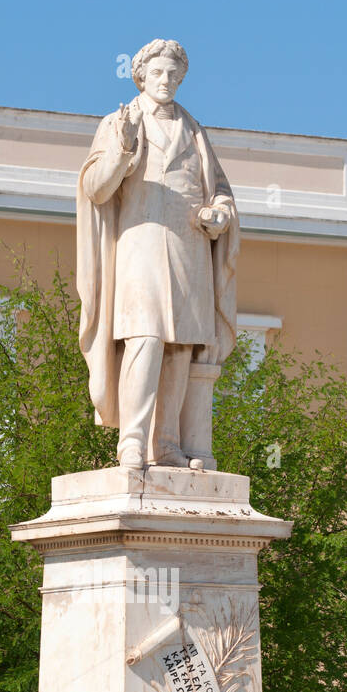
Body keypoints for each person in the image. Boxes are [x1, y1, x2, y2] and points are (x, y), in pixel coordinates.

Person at [77, 38, 240, 469]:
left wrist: (219, 214)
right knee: (145, 339)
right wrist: (123, 149)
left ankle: (166, 443)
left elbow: (221, 191)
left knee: (180, 347)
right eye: (157, 73)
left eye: (174, 74)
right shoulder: (120, 122)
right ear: (141, 76)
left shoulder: (194, 130)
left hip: (188, 251)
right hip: (140, 248)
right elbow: (95, 187)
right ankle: (132, 442)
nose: (166, 81)